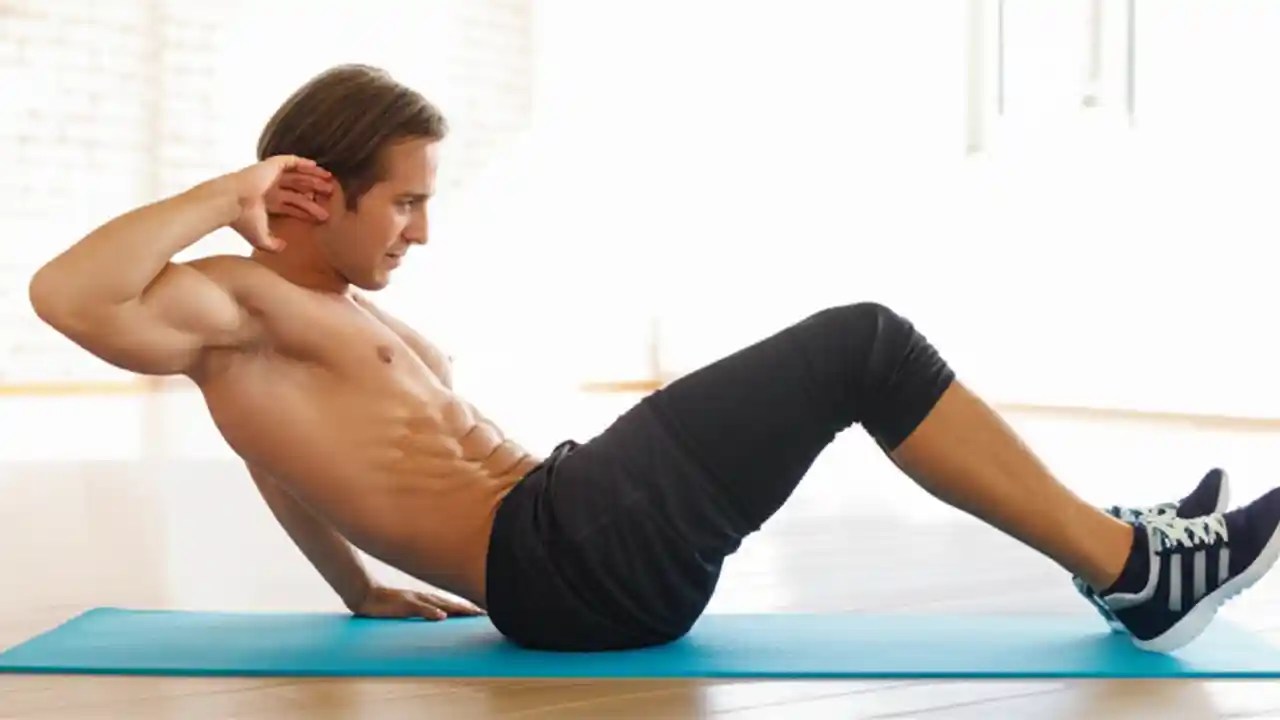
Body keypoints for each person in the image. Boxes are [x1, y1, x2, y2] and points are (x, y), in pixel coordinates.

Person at [28, 64, 1280, 655]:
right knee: (863, 344)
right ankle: (1130, 572)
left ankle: (1112, 546)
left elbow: (273, 457)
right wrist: (221, 191)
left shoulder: (297, 343)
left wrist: (355, 589)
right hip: (567, 556)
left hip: (573, 540)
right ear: (309, 195)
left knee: (848, 354)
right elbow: (60, 293)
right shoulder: (235, 300)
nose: (420, 228)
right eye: (401, 203)